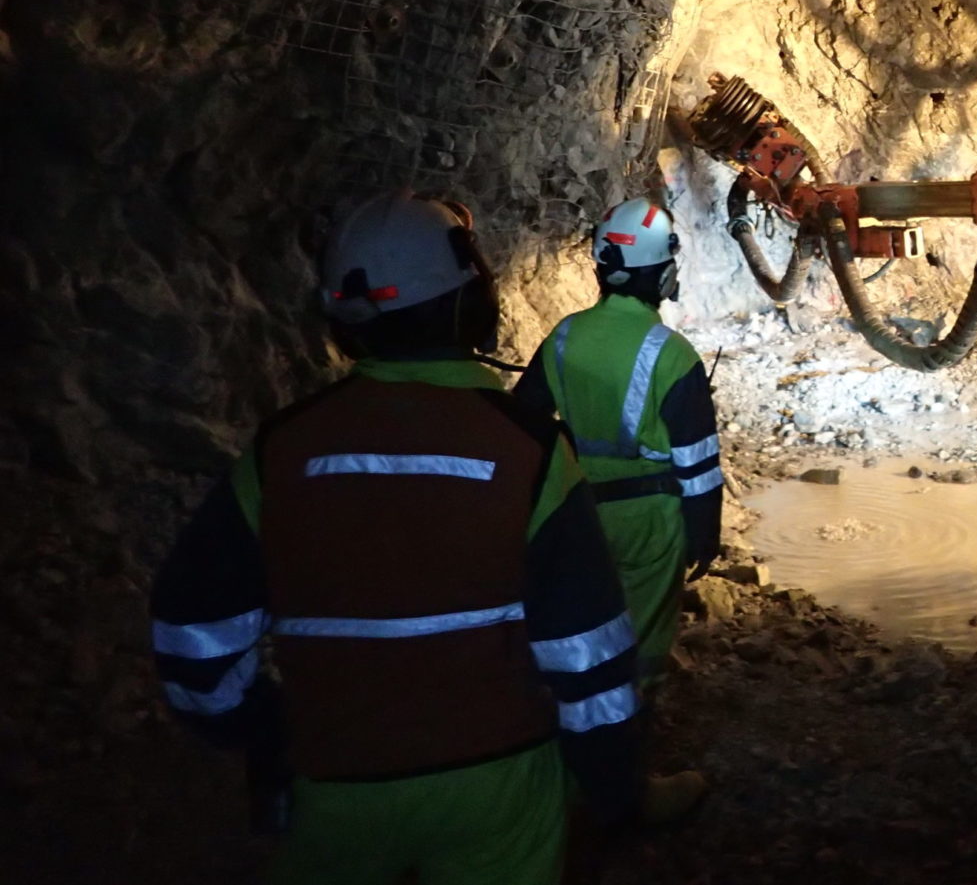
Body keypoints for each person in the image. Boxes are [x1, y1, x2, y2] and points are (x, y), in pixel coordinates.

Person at [149, 191, 643, 885]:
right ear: (466, 297)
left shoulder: (283, 453)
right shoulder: (526, 450)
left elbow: (190, 634)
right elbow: (588, 653)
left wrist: (267, 731)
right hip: (497, 785)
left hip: (336, 784)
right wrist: (612, 781)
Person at [516, 197, 722, 693]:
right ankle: (628, 749)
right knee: (641, 646)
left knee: (587, 629)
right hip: (652, 521)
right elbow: (697, 464)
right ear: (663, 272)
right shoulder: (672, 354)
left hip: (577, 510)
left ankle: (579, 727)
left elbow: (523, 424)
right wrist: (704, 535)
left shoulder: (564, 336)